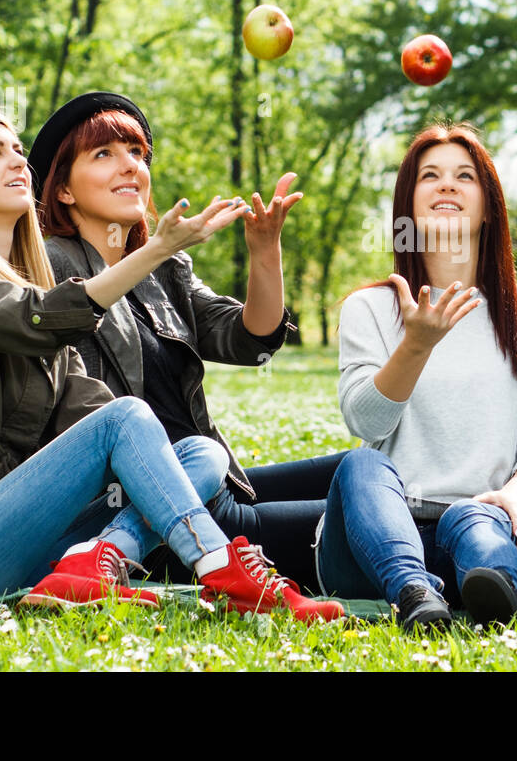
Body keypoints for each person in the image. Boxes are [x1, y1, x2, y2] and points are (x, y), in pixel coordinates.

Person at [0, 107, 343, 621]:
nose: (17, 163)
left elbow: (97, 409)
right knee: (132, 418)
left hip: (29, 539)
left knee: (201, 452)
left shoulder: (32, 285)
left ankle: (92, 565)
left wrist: (157, 459)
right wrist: (157, 248)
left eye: (18, 152)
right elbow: (41, 319)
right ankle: (223, 571)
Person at [26, 92, 343, 592]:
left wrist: (265, 251)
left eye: (137, 153)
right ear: (62, 190)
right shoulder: (49, 266)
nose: (130, 166)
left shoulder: (164, 271)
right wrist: (158, 248)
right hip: (146, 505)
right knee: (366, 514)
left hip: (204, 476)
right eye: (104, 154)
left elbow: (249, 340)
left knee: (360, 470)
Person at [316, 123, 517, 629]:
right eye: (429, 175)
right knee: (359, 468)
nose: (447, 185)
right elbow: (366, 422)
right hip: (377, 539)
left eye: (466, 176)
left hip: (487, 522)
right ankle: (414, 592)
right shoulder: (370, 308)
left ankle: (497, 591)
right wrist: (415, 346)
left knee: (470, 520)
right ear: (407, 206)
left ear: (489, 207)